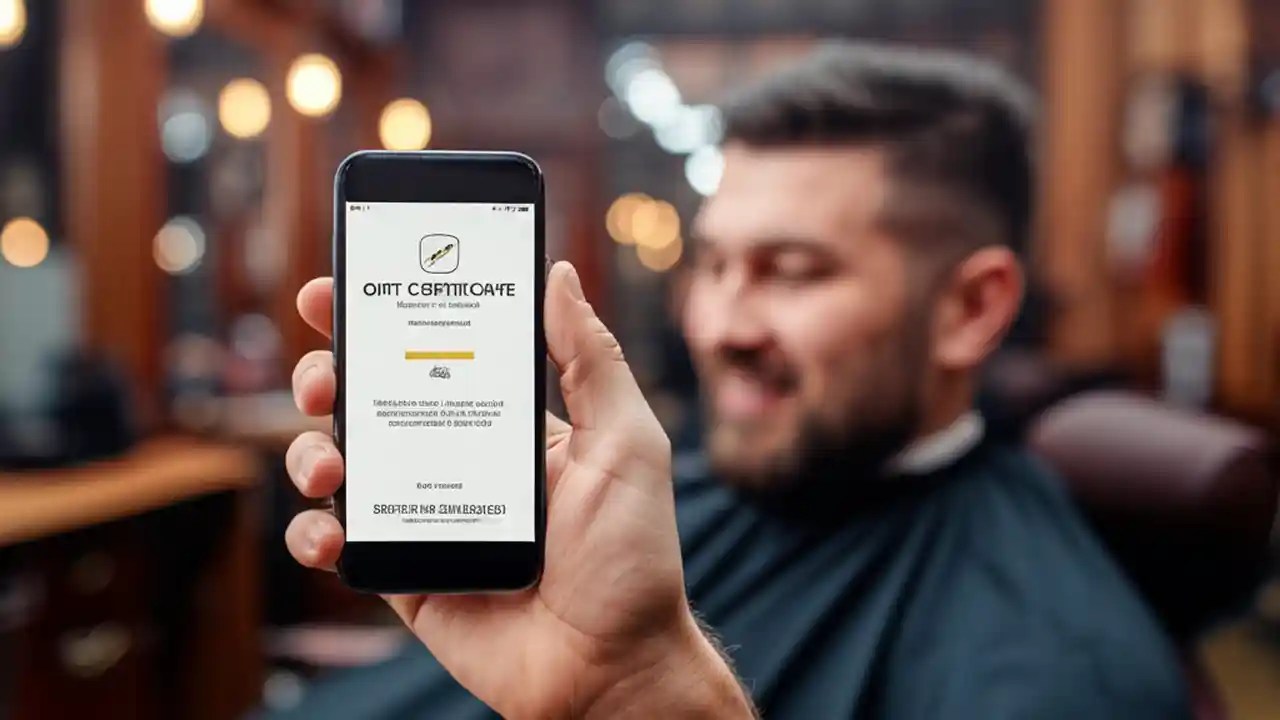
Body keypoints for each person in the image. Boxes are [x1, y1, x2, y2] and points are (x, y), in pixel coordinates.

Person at [273, 43, 1190, 719]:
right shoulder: (640, 507)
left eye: (791, 271)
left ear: (971, 308)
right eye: (712, 265)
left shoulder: (1058, 676)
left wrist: (648, 696)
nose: (716, 327)